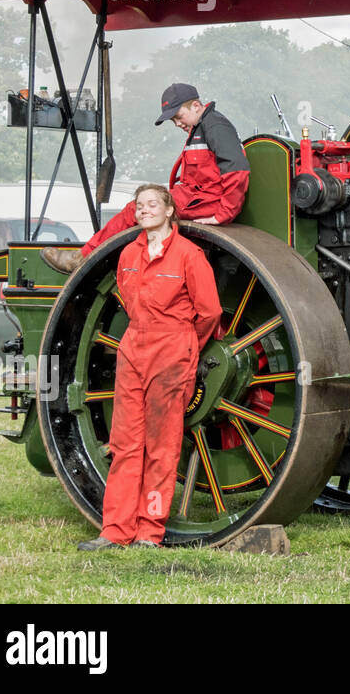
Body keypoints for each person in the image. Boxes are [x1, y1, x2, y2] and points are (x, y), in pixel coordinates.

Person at [77, 184, 222, 550]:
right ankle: (115, 531)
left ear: (170, 210)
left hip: (172, 349)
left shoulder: (190, 255)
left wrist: (186, 345)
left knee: (161, 444)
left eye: (152, 204)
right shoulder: (128, 253)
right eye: (139, 206)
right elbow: (128, 302)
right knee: (124, 442)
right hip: (133, 347)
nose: (144, 210)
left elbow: (210, 313)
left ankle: (149, 531)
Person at [42, 83, 249, 273]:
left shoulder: (215, 126)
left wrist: (223, 215)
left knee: (139, 209)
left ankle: (82, 259)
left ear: (196, 105)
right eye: (173, 120)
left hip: (208, 201)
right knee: (143, 206)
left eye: (178, 116)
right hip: (198, 197)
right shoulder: (201, 127)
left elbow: (236, 171)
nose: (177, 124)